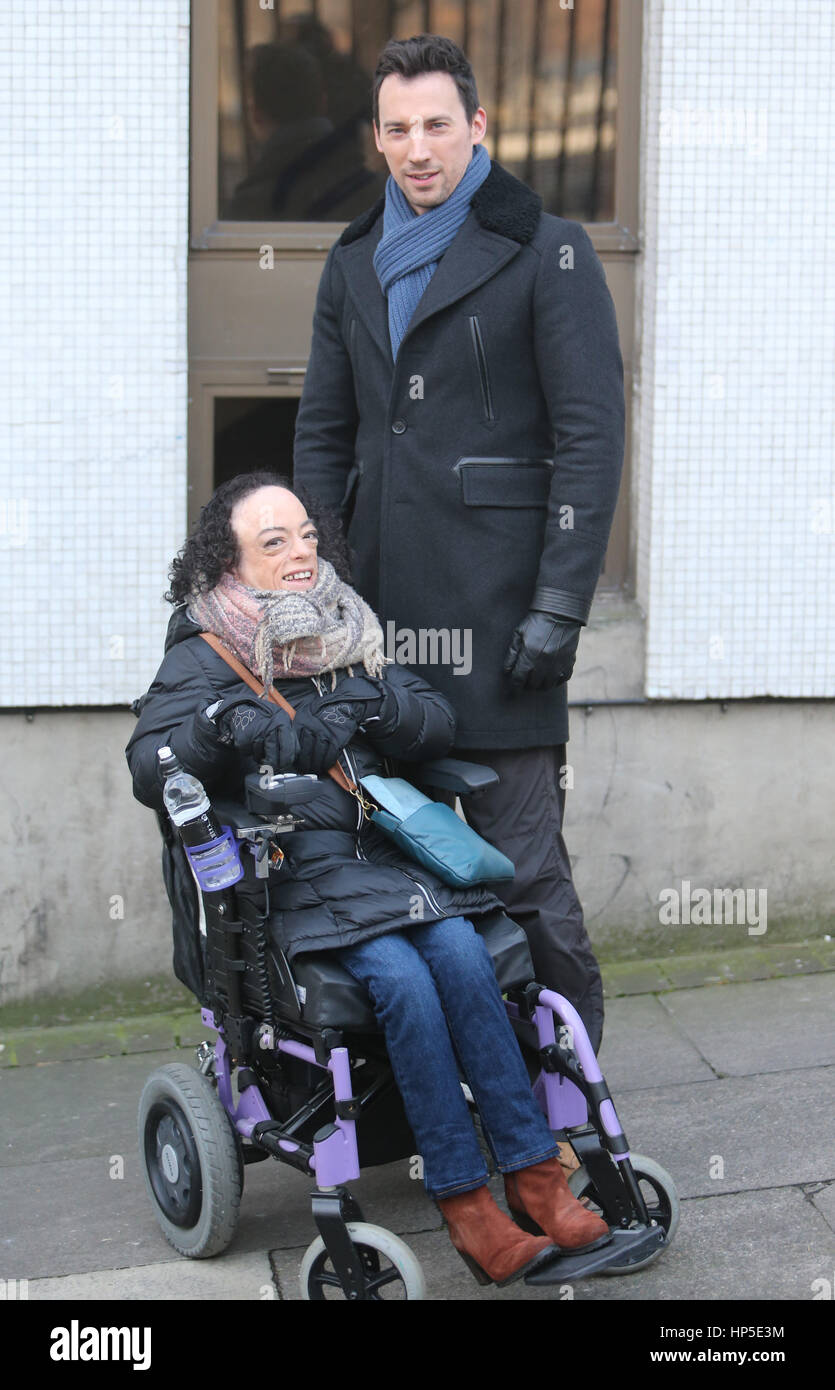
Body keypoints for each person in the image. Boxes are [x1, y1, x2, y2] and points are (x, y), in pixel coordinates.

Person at [125, 474, 611, 1288]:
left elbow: (436, 721)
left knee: (463, 952)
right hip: (284, 880)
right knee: (403, 980)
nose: (299, 552)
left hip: (384, 862)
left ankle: (534, 1177)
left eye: (306, 535)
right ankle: (466, 1205)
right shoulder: (204, 653)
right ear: (230, 561)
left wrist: (374, 709)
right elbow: (151, 766)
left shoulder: (347, 626)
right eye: (274, 541)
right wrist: (221, 724)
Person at [292, 35, 625, 1058]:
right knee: (405, 880)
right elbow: (323, 435)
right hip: (381, 636)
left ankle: (570, 1094)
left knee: (522, 874)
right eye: (397, 129)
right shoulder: (352, 261)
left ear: (476, 127)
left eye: (437, 124)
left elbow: (590, 437)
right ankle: (456, 1090)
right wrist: (320, 596)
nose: (417, 148)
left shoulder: (548, 249)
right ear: (377, 138)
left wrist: (560, 604)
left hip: (503, 624)